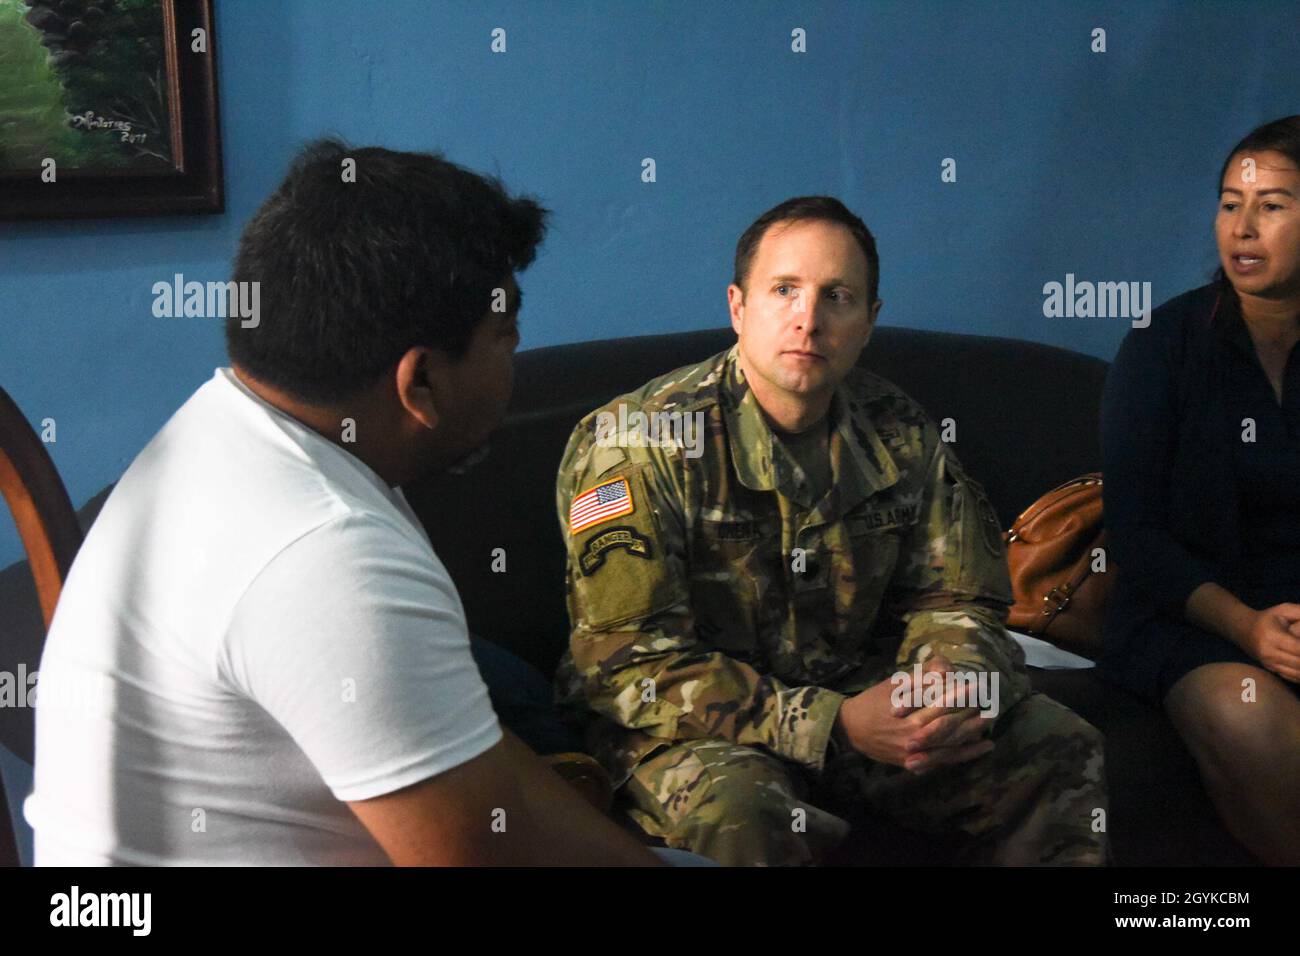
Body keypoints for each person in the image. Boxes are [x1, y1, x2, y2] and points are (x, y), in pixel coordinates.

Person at [25, 140, 666, 866]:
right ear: (419, 382)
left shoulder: (232, 431)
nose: (514, 360)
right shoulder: (329, 551)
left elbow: (475, 759)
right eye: (505, 337)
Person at [553, 196, 1109, 865]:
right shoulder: (641, 443)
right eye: (784, 290)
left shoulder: (899, 430)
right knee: (745, 810)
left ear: (869, 321)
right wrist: (830, 723)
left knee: (1055, 745)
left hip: (863, 696)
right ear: (738, 307)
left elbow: (958, 600)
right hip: (689, 729)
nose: (808, 320)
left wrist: (942, 688)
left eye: (836, 296)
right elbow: (628, 666)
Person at [1099, 116, 1300, 865]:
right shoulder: (1163, 343)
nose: (1243, 229)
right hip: (1193, 622)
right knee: (1252, 721)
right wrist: (1250, 628)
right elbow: (1137, 534)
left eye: (1272, 205)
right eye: (1229, 204)